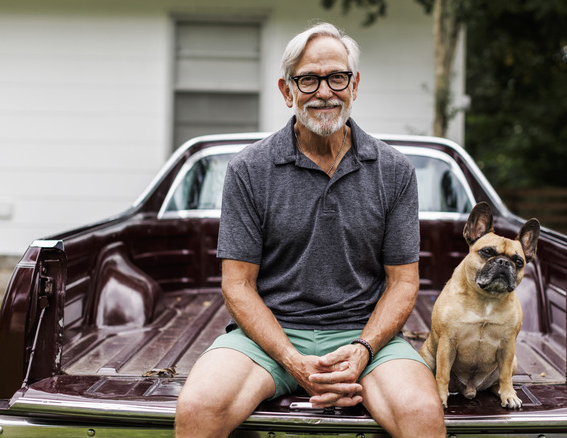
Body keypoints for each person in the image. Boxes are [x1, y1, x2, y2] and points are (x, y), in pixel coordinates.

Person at [175, 22, 446, 437]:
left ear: (354, 85)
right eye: (308, 80)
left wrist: (363, 349)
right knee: (198, 408)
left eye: (337, 77)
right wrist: (291, 359)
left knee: (422, 413)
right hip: (269, 338)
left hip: (365, 336)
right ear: (287, 91)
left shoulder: (394, 171)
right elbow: (237, 285)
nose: (324, 92)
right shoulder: (249, 169)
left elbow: (403, 282)